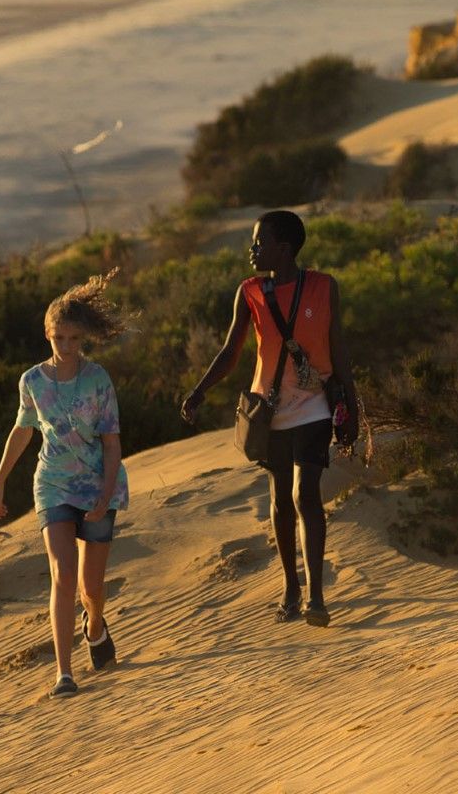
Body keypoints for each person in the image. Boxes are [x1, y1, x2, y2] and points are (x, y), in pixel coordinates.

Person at [181, 210, 357, 627]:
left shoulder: (323, 287)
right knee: (279, 502)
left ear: (284, 247)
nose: (252, 249)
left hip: (314, 406)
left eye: (260, 242)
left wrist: (351, 407)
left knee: (304, 495)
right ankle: (290, 588)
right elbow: (230, 351)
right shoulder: (250, 293)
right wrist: (199, 391)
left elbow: (339, 349)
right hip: (269, 409)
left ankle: (316, 595)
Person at [0, 271, 132, 699]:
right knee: (62, 573)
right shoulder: (32, 381)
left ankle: (95, 624)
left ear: (83, 337)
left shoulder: (98, 379)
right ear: (47, 335)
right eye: (58, 338)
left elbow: (111, 443)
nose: (66, 347)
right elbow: (23, 430)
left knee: (91, 586)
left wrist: (105, 494)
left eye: (73, 338)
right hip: (52, 483)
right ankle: (64, 673)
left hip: (97, 485)